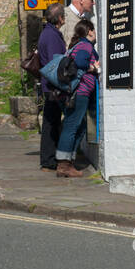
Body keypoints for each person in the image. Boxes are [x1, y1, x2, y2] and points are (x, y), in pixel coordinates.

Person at [55, 19, 100, 178]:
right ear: (89, 31)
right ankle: (63, 165)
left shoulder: (77, 45)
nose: (95, 33)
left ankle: (68, 161)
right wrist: (94, 68)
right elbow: (81, 62)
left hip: (76, 92)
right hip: (79, 92)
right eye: (94, 30)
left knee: (79, 126)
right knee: (72, 126)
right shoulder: (85, 46)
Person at [36, 3, 68, 171]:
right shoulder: (52, 36)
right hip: (53, 87)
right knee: (52, 123)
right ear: (60, 18)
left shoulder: (48, 32)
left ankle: (49, 158)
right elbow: (56, 62)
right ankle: (49, 160)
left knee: (52, 122)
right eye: (64, 16)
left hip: (49, 85)